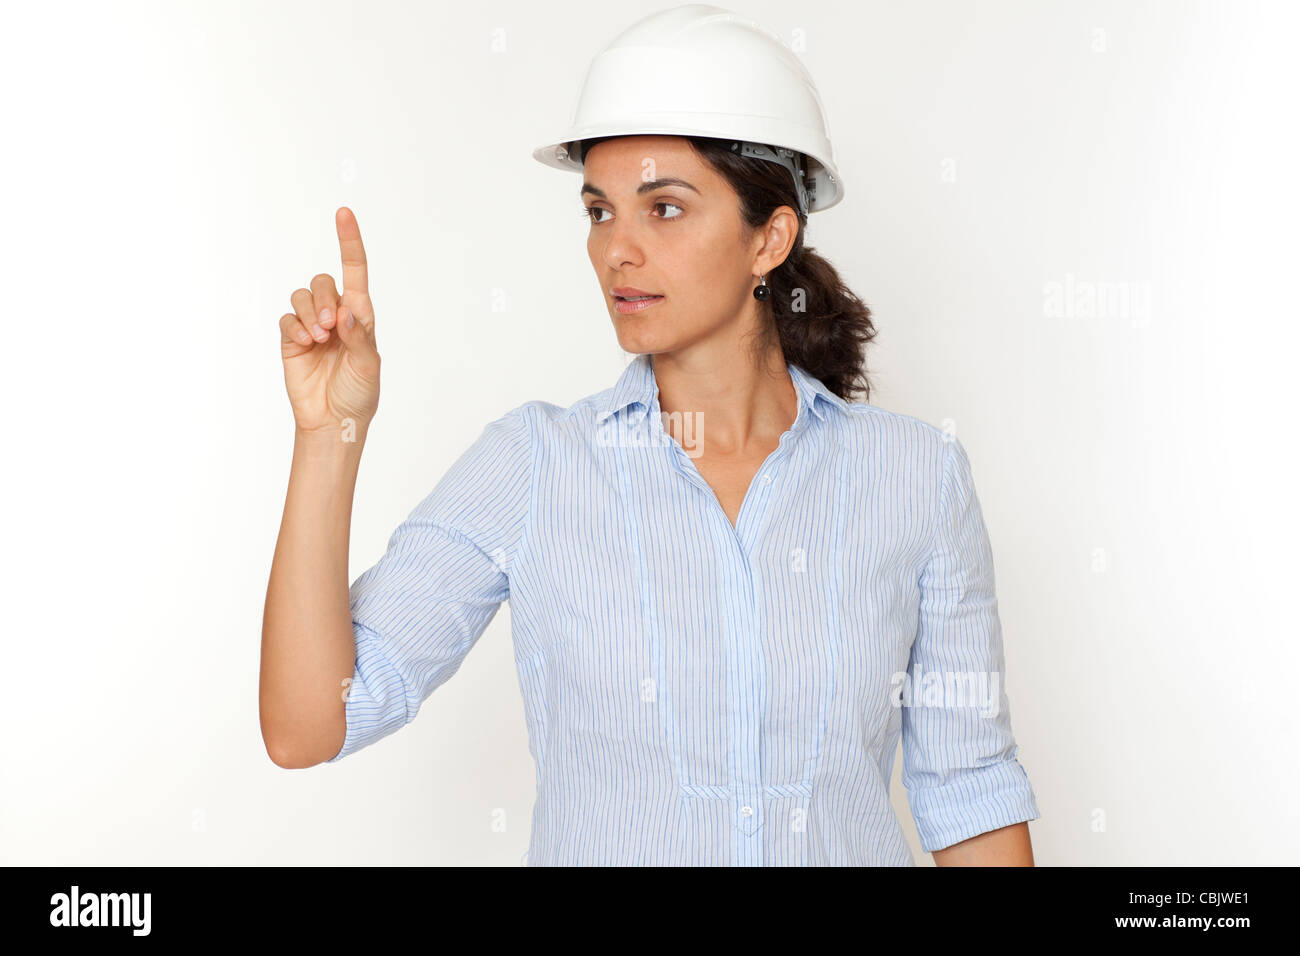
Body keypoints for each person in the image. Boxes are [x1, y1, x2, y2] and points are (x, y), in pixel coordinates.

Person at [260, 4, 1040, 866]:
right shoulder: (535, 467)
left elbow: (969, 793)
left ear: (769, 238)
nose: (616, 252)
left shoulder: (915, 478)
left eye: (663, 209)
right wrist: (328, 433)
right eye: (600, 212)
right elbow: (308, 724)